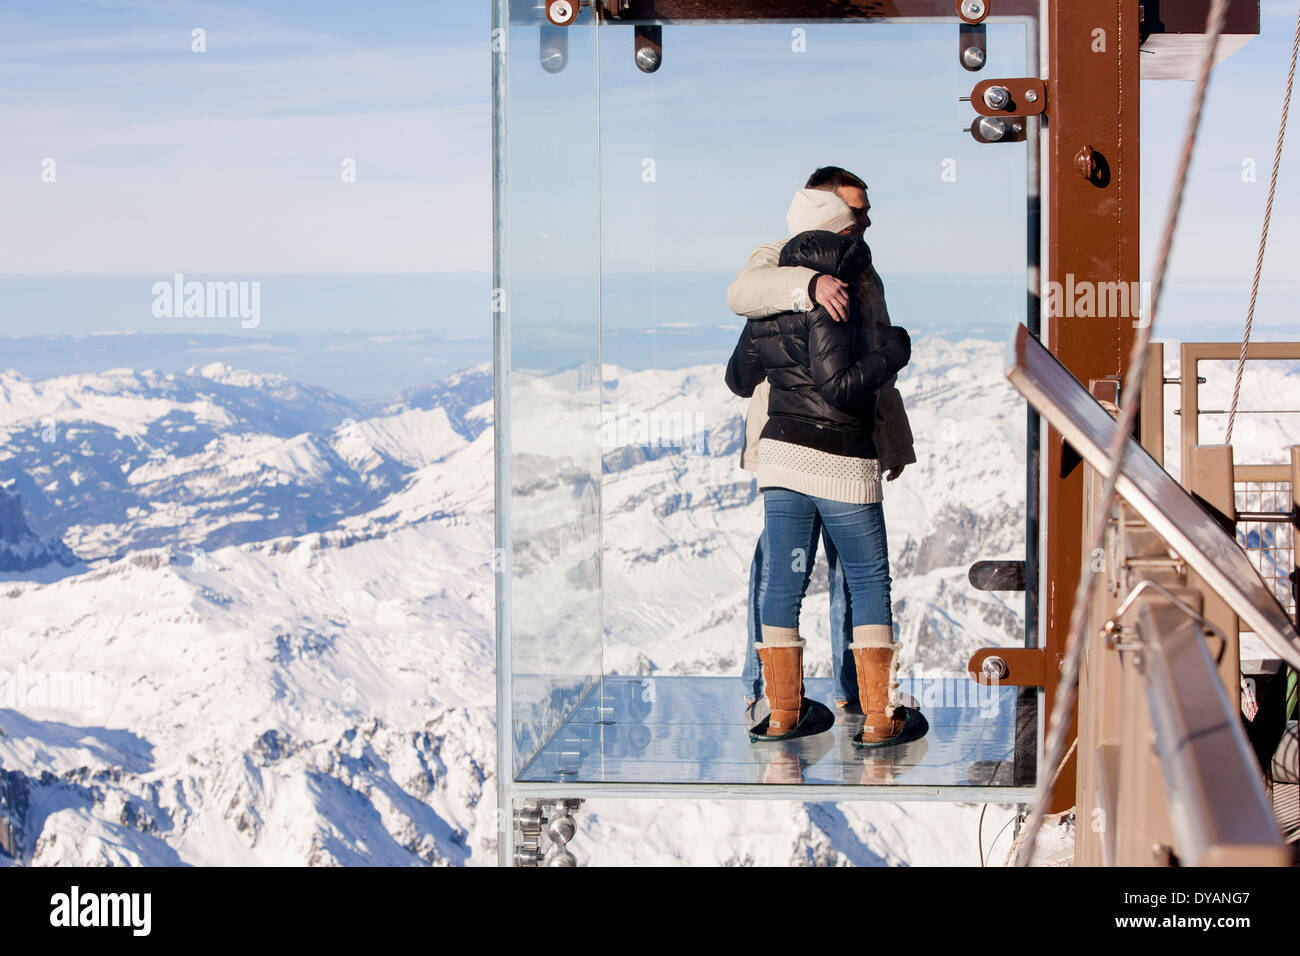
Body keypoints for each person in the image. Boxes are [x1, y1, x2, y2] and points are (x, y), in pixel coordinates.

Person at [724, 186, 922, 748]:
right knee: (867, 579)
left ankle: (784, 712)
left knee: (782, 585)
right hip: (839, 461)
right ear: (836, 228)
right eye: (856, 217)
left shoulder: (774, 297)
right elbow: (840, 386)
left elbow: (739, 378)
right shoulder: (838, 293)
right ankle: (880, 718)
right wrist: (894, 349)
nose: (865, 225)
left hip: (781, 458)